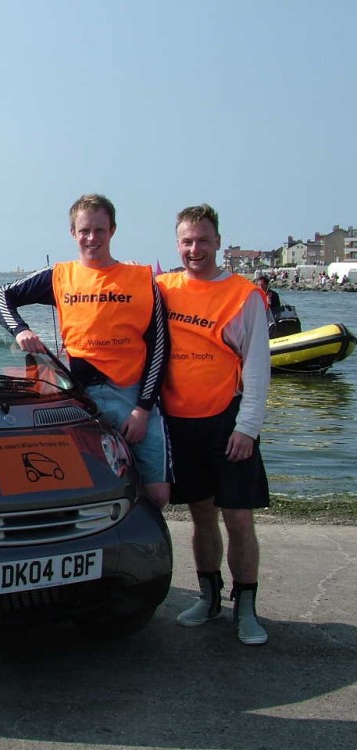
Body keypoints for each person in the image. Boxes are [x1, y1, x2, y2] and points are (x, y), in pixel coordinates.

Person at [0, 194, 171, 508]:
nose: (92, 238)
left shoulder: (142, 280)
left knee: (158, 495)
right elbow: (0, 296)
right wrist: (21, 330)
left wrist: (142, 409)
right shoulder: (61, 277)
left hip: (132, 397)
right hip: (80, 398)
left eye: (100, 230)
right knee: (83, 489)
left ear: (113, 230)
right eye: (84, 231)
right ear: (73, 233)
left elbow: (159, 350)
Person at [156, 205, 270, 646]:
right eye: (186, 241)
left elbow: (258, 368)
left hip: (229, 423)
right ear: (177, 244)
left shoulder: (243, 295)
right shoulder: (163, 288)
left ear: (219, 242)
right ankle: (209, 597)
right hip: (181, 423)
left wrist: (248, 427)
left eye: (203, 240)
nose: (194, 249)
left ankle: (247, 607)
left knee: (239, 519)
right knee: (202, 515)